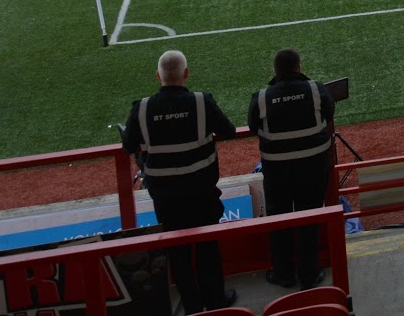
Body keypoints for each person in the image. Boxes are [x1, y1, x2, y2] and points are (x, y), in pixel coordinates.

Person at [121, 50, 238, 313]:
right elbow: (228, 131)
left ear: (157, 76)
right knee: (208, 248)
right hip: (203, 194)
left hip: (166, 198)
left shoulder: (141, 109)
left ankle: (192, 306)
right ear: (186, 74)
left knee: (178, 254)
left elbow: (128, 145)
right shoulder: (201, 102)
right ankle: (216, 302)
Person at [248, 48, 335, 291]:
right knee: (310, 217)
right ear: (299, 67)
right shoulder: (317, 89)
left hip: (277, 172)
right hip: (314, 168)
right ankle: (310, 275)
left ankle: (284, 274)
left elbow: (252, 125)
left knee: (279, 220)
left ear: (275, 71)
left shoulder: (262, 97)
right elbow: (329, 114)